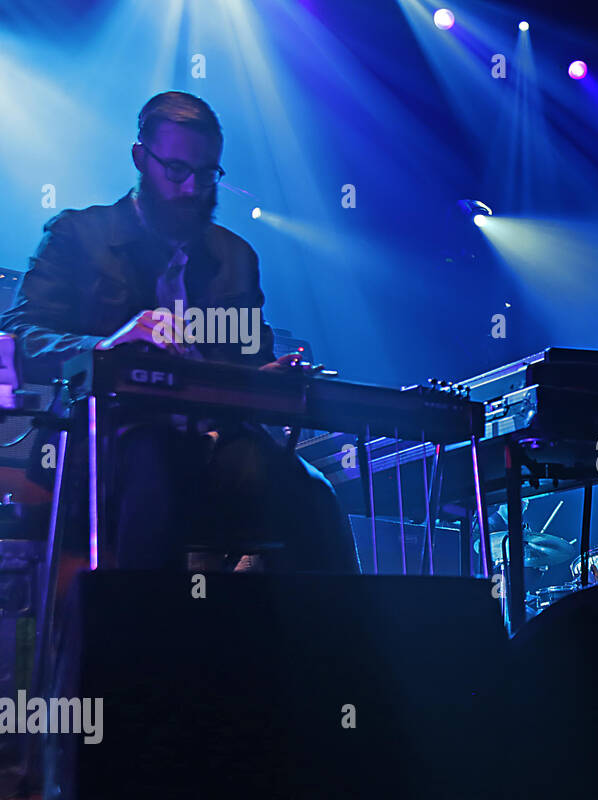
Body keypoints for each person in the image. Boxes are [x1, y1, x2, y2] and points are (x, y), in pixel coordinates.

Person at [0, 91, 358, 573]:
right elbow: (18, 333)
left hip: (217, 447)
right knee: (154, 467)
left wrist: (272, 376)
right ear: (140, 159)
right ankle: (137, 639)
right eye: (176, 171)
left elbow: (251, 362)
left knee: (312, 496)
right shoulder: (77, 236)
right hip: (101, 446)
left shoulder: (235, 258)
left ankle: (307, 644)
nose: (192, 188)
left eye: (207, 174)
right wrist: (104, 348)